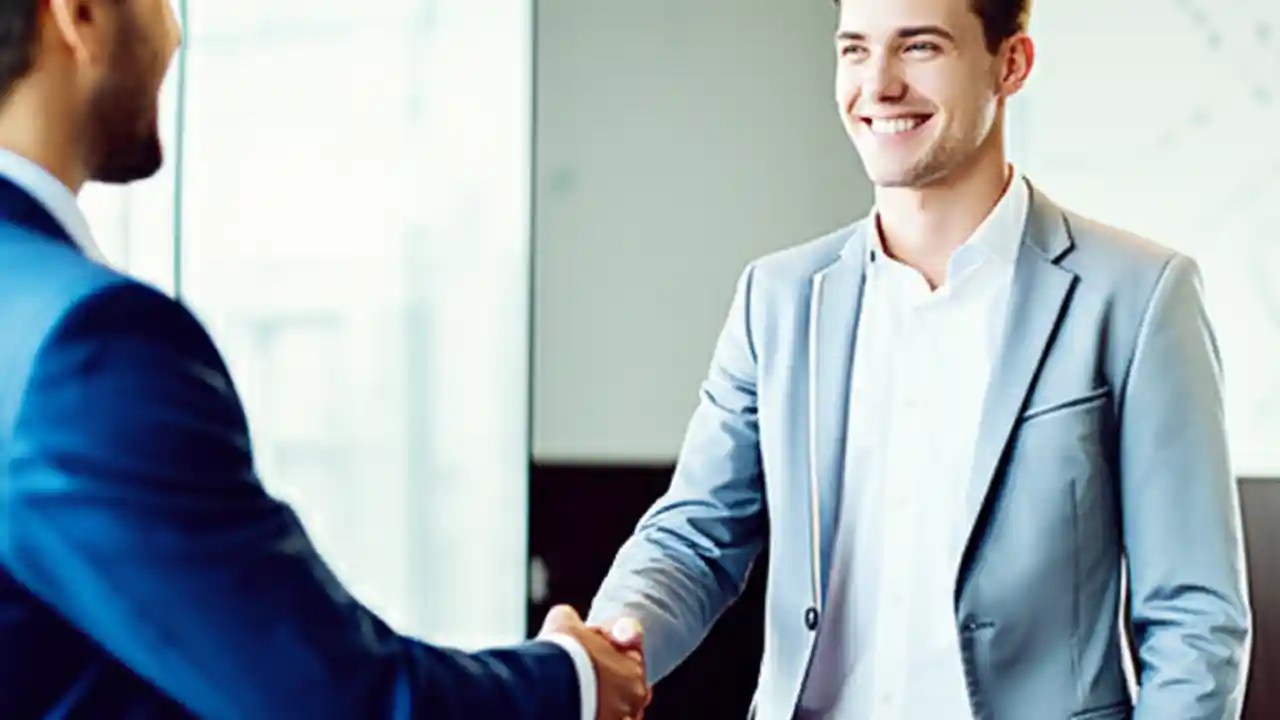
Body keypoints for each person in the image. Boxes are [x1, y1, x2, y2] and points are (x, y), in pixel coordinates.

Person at [586, 0, 1252, 717]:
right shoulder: (776, 299)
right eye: (854, 50)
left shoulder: (1137, 297)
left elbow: (1194, 619)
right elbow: (695, 538)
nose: (877, 85)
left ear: (1011, 64)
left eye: (919, 47)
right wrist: (602, 649)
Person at [0, 0, 648, 717]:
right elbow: (338, 700)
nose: (176, 32)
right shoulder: (88, 342)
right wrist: (572, 681)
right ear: (78, 15)